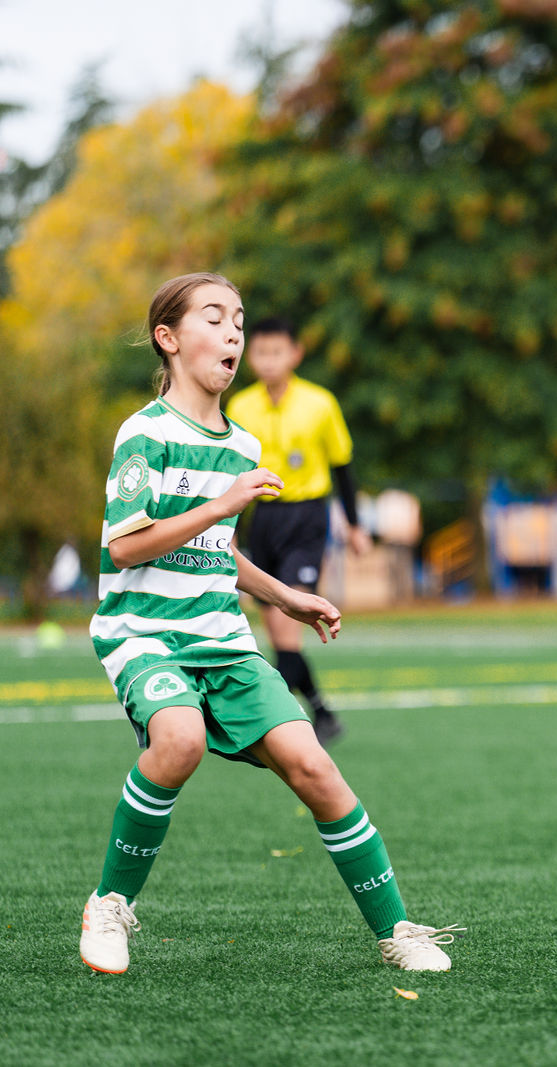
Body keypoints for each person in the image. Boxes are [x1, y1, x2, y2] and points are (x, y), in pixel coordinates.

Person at [80, 273, 459, 974]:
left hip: (222, 637)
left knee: (315, 765)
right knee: (180, 739)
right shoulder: (145, 434)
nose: (233, 334)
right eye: (215, 318)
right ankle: (108, 903)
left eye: (240, 321)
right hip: (144, 633)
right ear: (168, 338)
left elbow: (215, 550)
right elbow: (126, 544)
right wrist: (222, 504)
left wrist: (286, 596)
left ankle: (397, 929)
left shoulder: (244, 446)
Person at [226, 316, 372, 744]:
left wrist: (356, 524)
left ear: (295, 354)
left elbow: (343, 466)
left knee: (287, 631)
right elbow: (230, 477)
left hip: (307, 518)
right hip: (263, 520)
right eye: (260, 352)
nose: (268, 361)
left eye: (277, 352)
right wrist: (228, 531)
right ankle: (320, 711)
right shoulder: (240, 408)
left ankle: (269, 719)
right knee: (276, 632)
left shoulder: (320, 403)